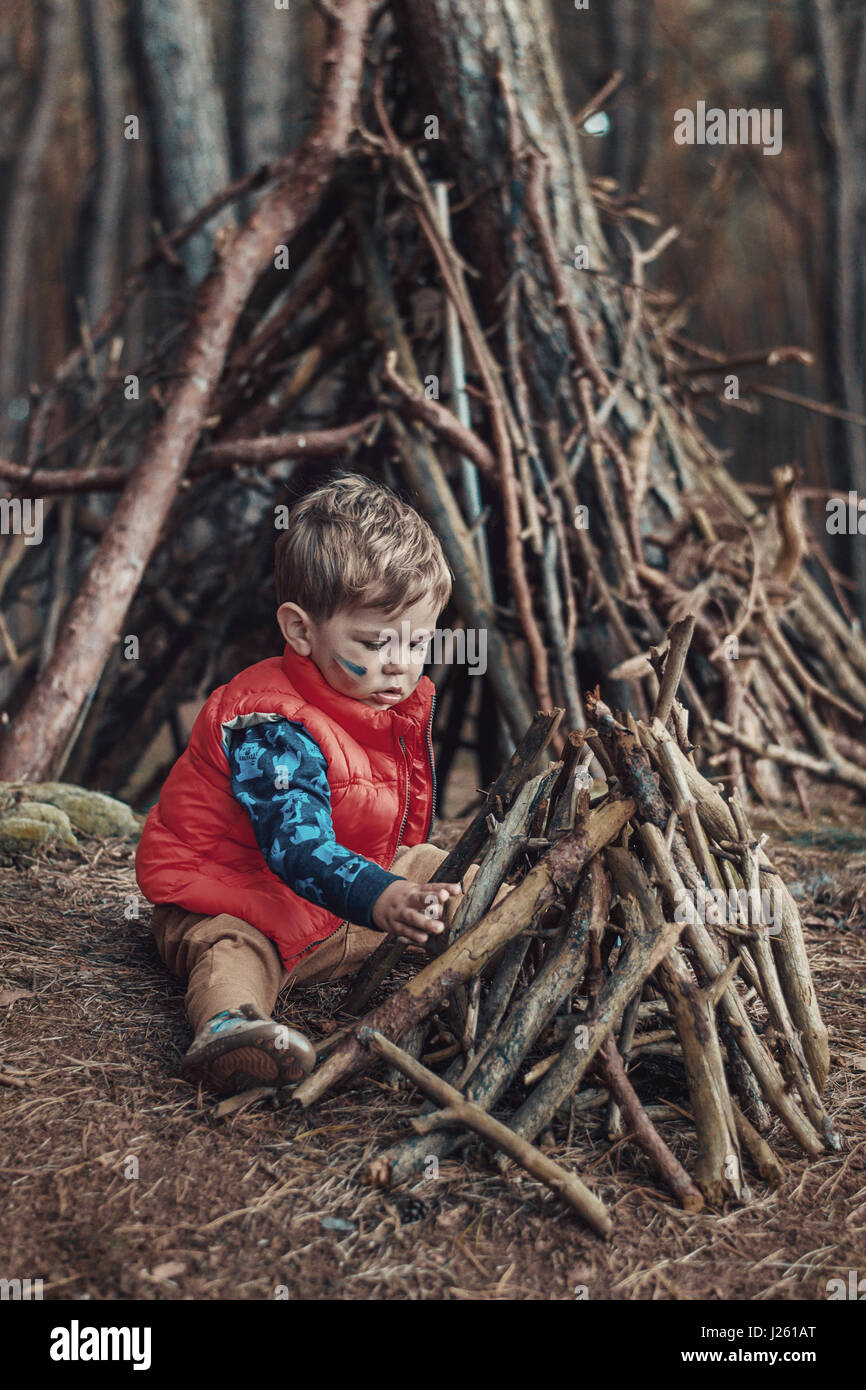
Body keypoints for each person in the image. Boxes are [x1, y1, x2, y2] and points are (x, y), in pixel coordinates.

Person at [136, 472, 491, 1096]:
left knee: (441, 870)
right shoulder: (271, 725)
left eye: (419, 641)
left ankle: (522, 920)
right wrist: (381, 897)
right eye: (376, 641)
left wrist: (396, 884)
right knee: (230, 949)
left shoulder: (371, 699)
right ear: (301, 631)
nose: (401, 663)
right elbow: (295, 847)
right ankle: (233, 1031)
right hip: (235, 896)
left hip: (334, 901)